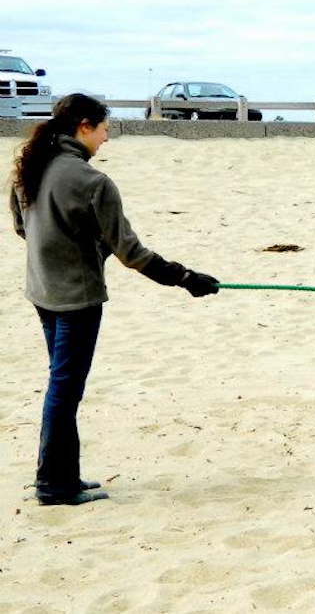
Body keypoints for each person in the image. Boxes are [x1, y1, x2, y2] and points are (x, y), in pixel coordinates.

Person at [8, 93, 220, 506]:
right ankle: (54, 485)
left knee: (62, 384)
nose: (107, 137)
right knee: (64, 389)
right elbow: (131, 253)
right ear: (84, 126)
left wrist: (82, 248)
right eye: (105, 128)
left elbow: (24, 228)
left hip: (42, 291)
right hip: (76, 300)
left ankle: (63, 476)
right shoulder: (92, 182)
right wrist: (186, 278)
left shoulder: (29, 168)